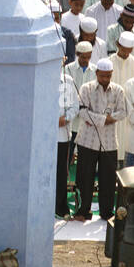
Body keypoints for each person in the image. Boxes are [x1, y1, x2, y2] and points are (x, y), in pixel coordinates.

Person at [74, 58, 128, 221]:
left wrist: (96, 119)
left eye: (108, 76)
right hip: (87, 141)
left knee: (108, 179)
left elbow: (123, 112)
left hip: (109, 142)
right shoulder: (87, 88)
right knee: (85, 178)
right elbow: (82, 112)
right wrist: (105, 119)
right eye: (102, 76)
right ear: (96, 73)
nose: (105, 79)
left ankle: (106, 212)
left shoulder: (118, 90)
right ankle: (83, 211)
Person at [56, 70, 79, 218]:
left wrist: (66, 118)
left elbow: (75, 106)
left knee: (61, 173)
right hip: (42, 137)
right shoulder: (40, 76)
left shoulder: (67, 80)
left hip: (61, 135)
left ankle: (60, 207)